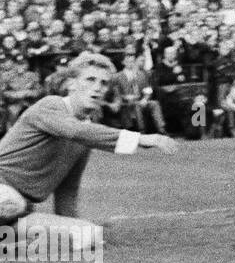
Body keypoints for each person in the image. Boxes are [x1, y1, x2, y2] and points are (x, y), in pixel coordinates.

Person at [0, 52, 177, 230]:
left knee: (87, 235)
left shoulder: (85, 134)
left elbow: (67, 190)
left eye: (103, 83)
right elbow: (76, 130)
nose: (97, 87)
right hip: (5, 193)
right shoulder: (50, 105)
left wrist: (75, 225)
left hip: (20, 208)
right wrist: (141, 138)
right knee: (10, 203)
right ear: (71, 83)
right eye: (90, 79)